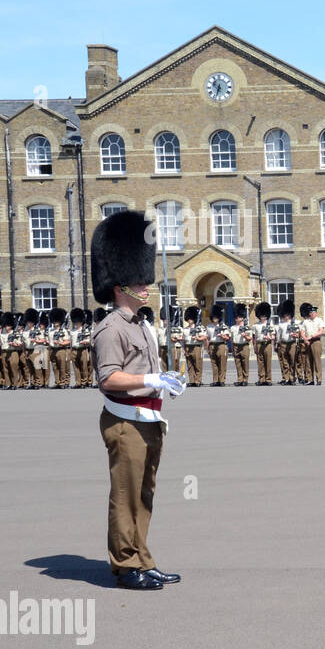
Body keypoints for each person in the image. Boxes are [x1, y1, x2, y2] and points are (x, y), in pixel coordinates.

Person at [89, 209, 188, 590]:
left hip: (148, 418)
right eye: (138, 280)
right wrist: (150, 379)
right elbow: (109, 378)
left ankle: (142, 558)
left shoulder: (142, 323)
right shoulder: (111, 328)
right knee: (126, 496)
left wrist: (165, 382)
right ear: (119, 286)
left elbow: (147, 368)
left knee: (144, 495)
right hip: (125, 420)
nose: (146, 285)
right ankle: (125, 566)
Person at [300, 302, 325, 384]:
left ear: (316, 313)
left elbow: (321, 331)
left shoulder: (319, 320)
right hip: (307, 342)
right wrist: (305, 339)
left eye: (313, 312)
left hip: (316, 341)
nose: (312, 314)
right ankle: (310, 379)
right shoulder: (306, 322)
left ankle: (319, 379)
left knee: (317, 361)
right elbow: (302, 332)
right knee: (308, 361)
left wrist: (312, 336)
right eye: (310, 312)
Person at [276, 300, 298, 385]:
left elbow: (298, 335)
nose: (286, 316)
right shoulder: (281, 324)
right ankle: (286, 378)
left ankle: (292, 378)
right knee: (285, 362)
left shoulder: (294, 324)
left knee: (292, 362)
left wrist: (295, 334)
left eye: (288, 314)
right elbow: (279, 335)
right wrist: (278, 344)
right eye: (285, 314)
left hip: (292, 343)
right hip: (283, 344)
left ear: (290, 314)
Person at [208, 305, 230, 386]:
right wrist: (207, 347)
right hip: (212, 345)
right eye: (214, 317)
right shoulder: (209, 327)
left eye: (216, 317)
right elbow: (207, 338)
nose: (215, 318)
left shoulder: (224, 326)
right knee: (214, 364)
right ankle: (215, 380)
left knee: (222, 363)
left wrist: (222, 336)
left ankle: (222, 380)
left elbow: (227, 338)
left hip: (221, 345)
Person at [230, 308, 253, 386]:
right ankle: (240, 379)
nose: (237, 319)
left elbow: (250, 338)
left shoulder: (247, 327)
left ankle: (245, 380)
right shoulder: (233, 327)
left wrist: (245, 335)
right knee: (238, 364)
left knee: (245, 363)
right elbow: (232, 339)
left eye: (239, 317)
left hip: (244, 346)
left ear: (242, 318)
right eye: (236, 317)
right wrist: (232, 348)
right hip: (236, 346)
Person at [182, 306, 204, 387]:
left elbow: (204, 337)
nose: (189, 320)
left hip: (196, 347)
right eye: (188, 318)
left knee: (198, 364)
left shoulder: (199, 328)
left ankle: (198, 380)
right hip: (188, 347)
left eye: (191, 318)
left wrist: (198, 338)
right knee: (190, 365)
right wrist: (183, 349)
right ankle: (192, 380)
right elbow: (183, 340)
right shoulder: (185, 329)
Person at [253, 302, 274, 385]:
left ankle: (268, 379)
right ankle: (261, 379)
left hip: (267, 344)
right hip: (259, 344)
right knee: (260, 362)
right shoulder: (256, 325)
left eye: (264, 315)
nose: (263, 317)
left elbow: (273, 337)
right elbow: (254, 337)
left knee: (268, 362)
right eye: (261, 315)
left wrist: (269, 338)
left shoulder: (270, 324)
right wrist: (254, 346)